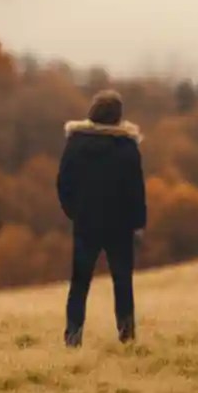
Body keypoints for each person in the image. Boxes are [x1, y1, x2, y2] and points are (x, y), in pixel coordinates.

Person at [57, 89, 146, 347]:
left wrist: (74, 211)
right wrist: (138, 223)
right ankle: (126, 334)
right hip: (120, 226)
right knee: (122, 281)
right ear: (118, 117)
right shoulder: (127, 147)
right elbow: (136, 190)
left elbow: (63, 183)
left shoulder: (76, 143)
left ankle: (73, 337)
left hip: (85, 223)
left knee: (80, 282)